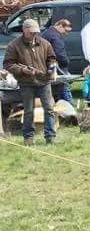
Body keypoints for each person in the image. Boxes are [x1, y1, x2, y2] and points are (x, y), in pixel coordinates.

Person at [4, 18, 60, 146]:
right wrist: (23, 70)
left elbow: (52, 58)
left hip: (44, 81)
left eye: (36, 32)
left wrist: (53, 68)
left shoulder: (45, 44)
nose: (34, 34)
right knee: (28, 111)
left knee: (49, 109)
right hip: (26, 83)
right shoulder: (14, 45)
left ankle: (50, 137)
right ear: (24, 30)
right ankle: (28, 137)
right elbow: (8, 64)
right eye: (31, 32)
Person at [40, 18, 74, 105]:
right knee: (64, 87)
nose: (66, 34)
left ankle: (58, 107)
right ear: (60, 26)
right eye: (66, 31)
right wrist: (66, 62)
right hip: (57, 66)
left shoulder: (47, 33)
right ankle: (70, 108)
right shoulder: (55, 36)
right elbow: (59, 53)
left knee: (54, 89)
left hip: (47, 65)